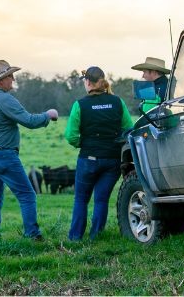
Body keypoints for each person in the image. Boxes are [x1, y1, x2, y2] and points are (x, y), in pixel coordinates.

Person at [0, 59, 58, 240]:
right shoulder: (4, 98)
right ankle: (32, 235)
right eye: (9, 76)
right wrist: (48, 115)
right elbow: (29, 120)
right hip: (3, 154)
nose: (13, 79)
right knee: (27, 195)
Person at [64, 66, 133, 241]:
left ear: (87, 82)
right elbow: (128, 129)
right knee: (101, 200)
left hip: (89, 159)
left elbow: (70, 136)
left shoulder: (80, 105)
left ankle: (75, 237)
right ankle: (97, 236)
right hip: (112, 160)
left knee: (81, 199)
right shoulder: (118, 102)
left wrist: (84, 144)